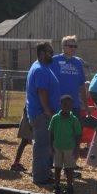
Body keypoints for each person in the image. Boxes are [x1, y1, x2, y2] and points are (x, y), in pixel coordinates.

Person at [26, 42, 61, 186]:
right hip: (42, 115)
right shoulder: (40, 69)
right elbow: (42, 92)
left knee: (47, 146)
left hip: (43, 114)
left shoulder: (43, 67)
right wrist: (48, 111)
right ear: (41, 53)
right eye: (49, 52)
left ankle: (45, 173)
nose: (52, 54)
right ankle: (40, 178)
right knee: (42, 146)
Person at [48, 95, 82, 194]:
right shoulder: (55, 118)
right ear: (61, 105)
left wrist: (77, 148)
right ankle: (57, 186)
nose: (67, 106)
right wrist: (51, 146)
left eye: (69, 105)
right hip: (57, 147)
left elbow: (78, 134)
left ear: (72, 106)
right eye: (64, 104)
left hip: (70, 148)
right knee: (57, 168)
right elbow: (51, 132)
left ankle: (69, 186)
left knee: (69, 169)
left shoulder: (74, 119)